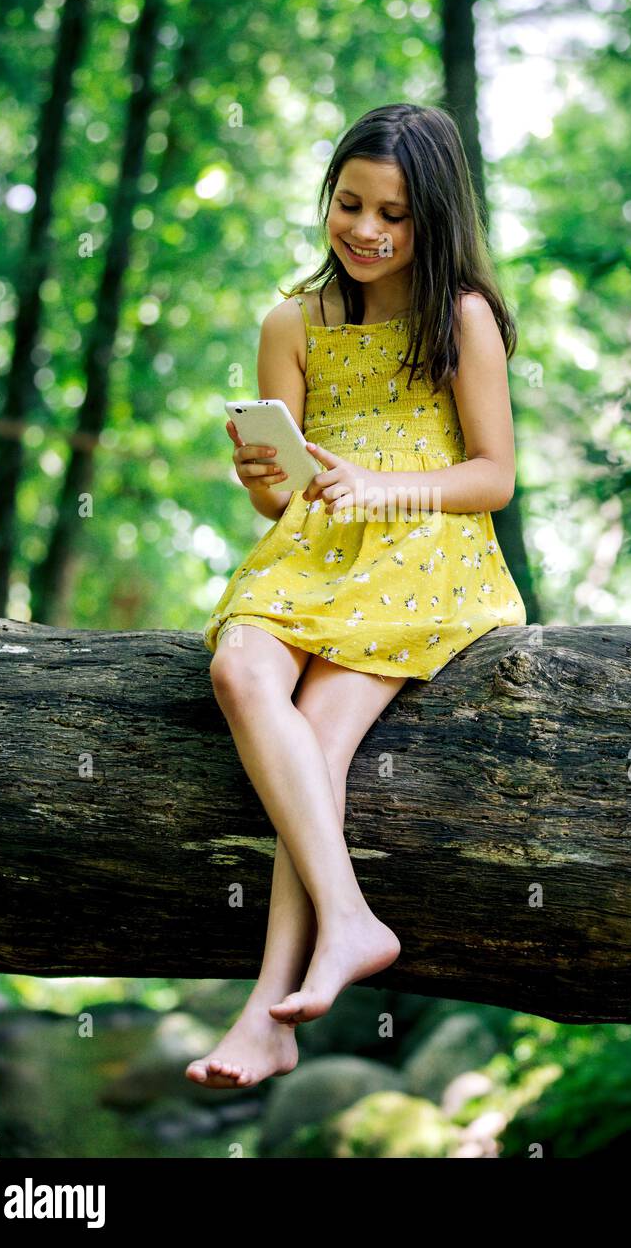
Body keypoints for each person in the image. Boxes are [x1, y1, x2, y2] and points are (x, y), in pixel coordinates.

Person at [186, 103, 526, 1089]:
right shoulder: (291, 320)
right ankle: (347, 921)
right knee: (239, 667)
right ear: (326, 198)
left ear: (435, 219)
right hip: (314, 556)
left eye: (395, 213)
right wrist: (262, 478)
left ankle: (264, 1014)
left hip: (425, 547)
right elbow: (284, 494)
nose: (367, 229)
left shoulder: (457, 316)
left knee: (321, 741)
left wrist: (388, 488)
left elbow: (493, 474)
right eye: (349, 203)